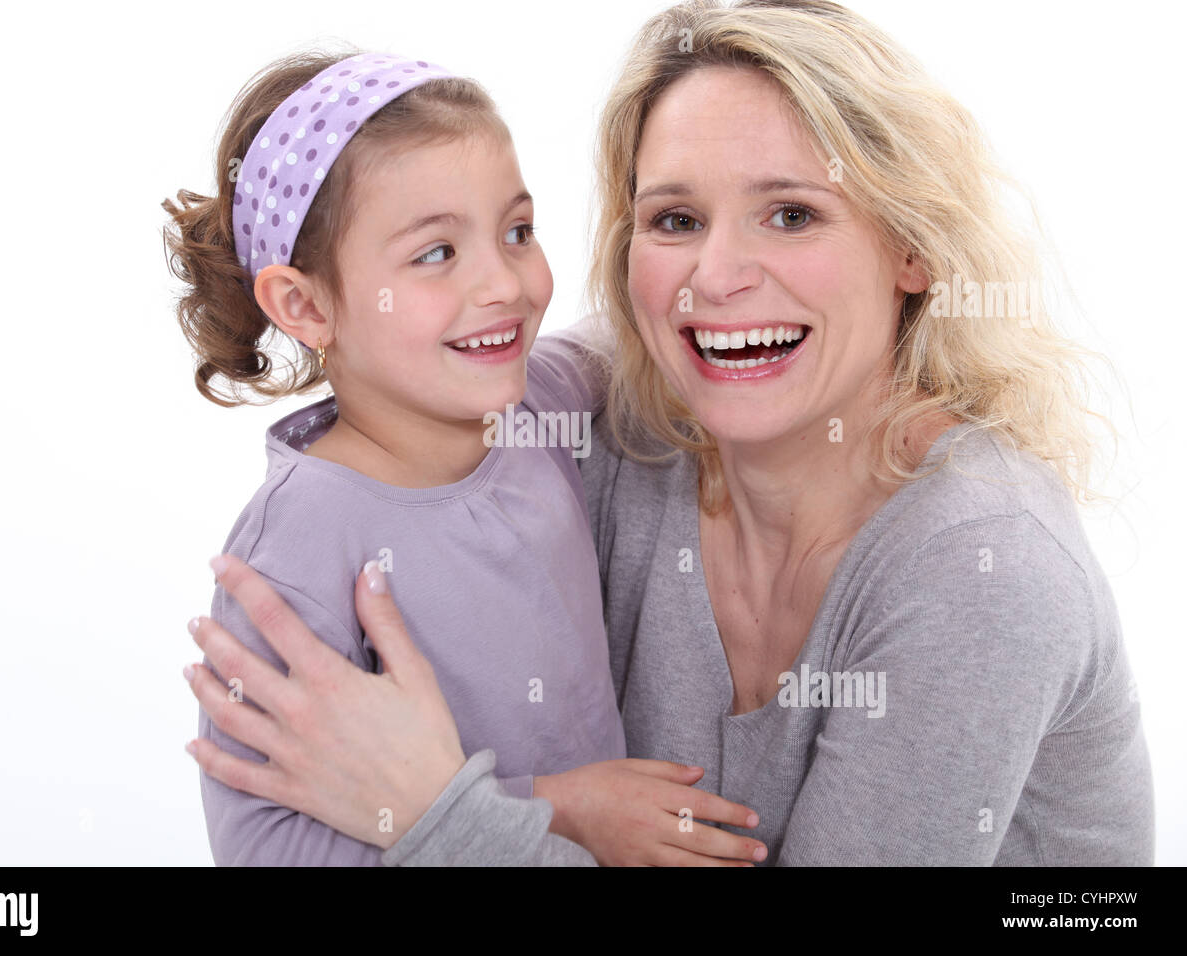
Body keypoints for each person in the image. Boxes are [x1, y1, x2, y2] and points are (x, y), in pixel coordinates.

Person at [185, 0, 1155, 866]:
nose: (717, 277)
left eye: (789, 212)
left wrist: (447, 814)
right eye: (677, 218)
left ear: (911, 246)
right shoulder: (600, 417)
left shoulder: (981, 567)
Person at [163, 47, 766, 865]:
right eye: (437, 253)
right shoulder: (296, 553)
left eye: (518, 232)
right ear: (303, 303)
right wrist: (557, 810)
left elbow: (638, 336)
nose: (507, 285)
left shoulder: (537, 403)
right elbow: (271, 851)